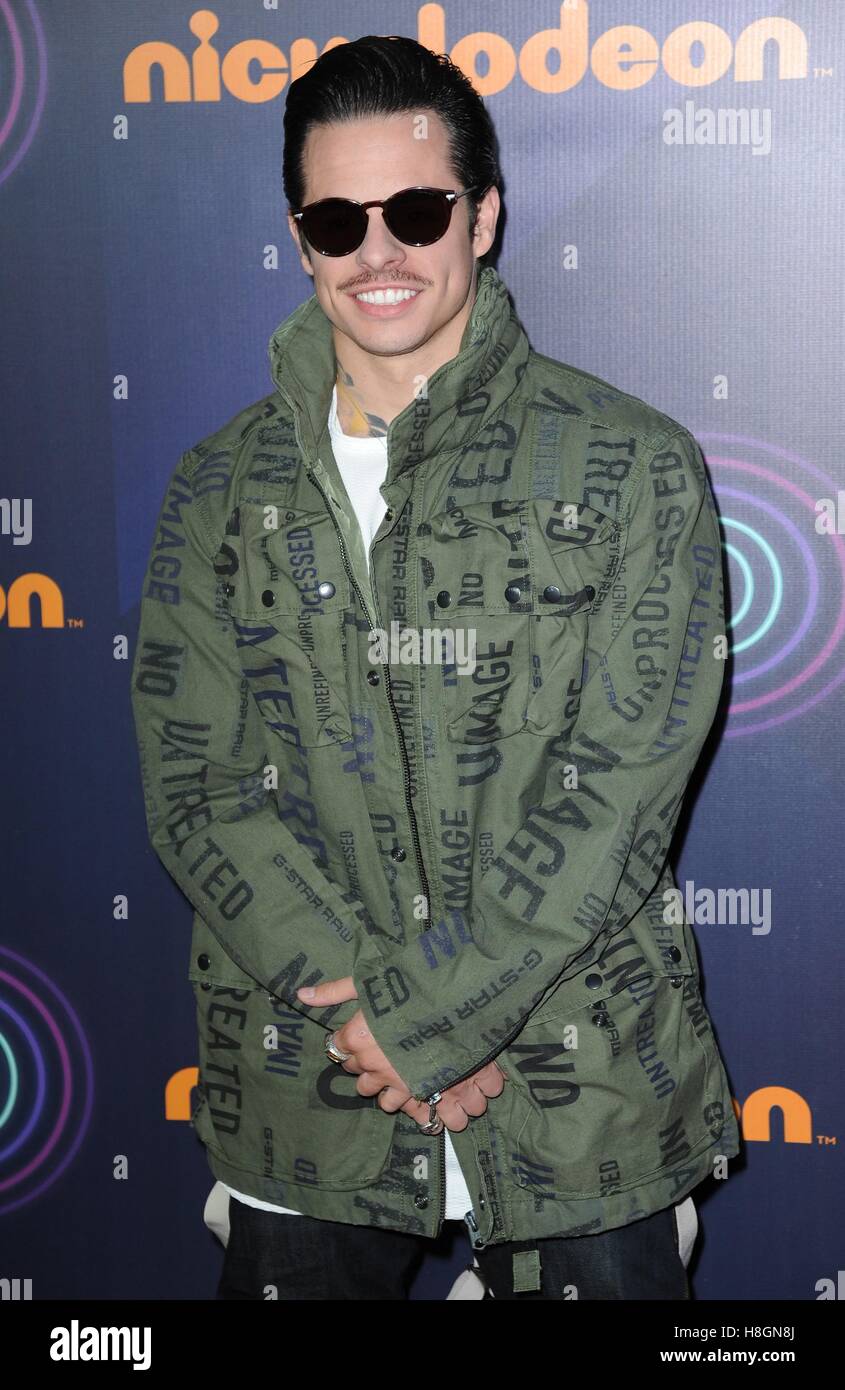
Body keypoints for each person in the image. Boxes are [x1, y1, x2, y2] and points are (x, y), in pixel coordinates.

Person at [130, 33, 741, 1300]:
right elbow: (202, 793)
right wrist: (380, 1028)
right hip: (310, 1094)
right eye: (336, 218)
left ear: (484, 218)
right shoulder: (215, 490)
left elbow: (617, 796)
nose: (378, 252)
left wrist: (421, 1020)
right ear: (299, 238)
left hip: (581, 1094)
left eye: (416, 209)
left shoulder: (632, 465)